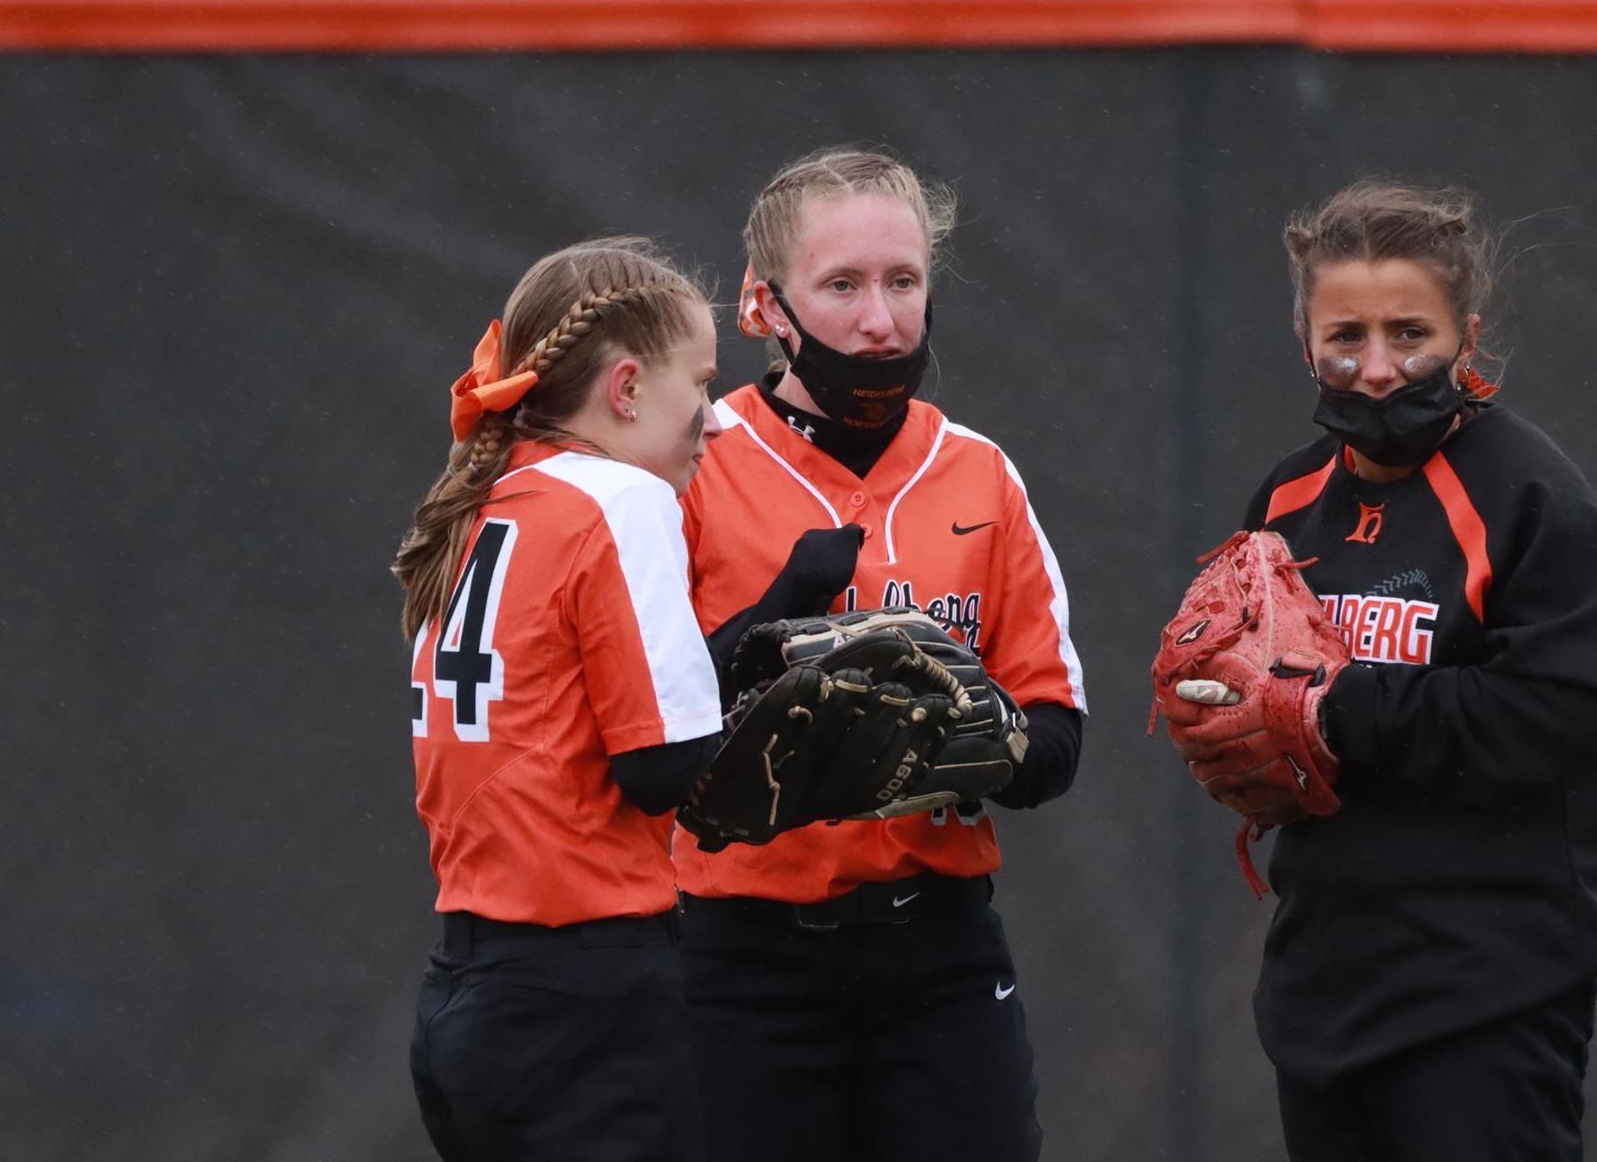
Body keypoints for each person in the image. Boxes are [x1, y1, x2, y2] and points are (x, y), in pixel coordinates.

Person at [1229, 181, 1597, 1160]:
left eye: (1409, 334)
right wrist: (1232, 716)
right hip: (1328, 975)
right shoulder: (1287, 499)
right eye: (1346, 335)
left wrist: (1341, 704)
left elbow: (1561, 713)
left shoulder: (1529, 494)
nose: (1378, 367)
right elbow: (1251, 689)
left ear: (1465, 337)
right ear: (1305, 340)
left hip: (1489, 984)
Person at [673, 147, 1086, 1162]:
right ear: (764, 304)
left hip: (936, 951)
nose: (880, 319)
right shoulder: (689, 466)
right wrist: (769, 636)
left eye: (903, 281)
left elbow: (1057, 731)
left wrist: (965, 743)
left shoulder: (979, 474)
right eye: (843, 285)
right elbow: (637, 730)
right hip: (739, 958)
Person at [392, 236, 725, 1162]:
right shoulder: (621, 499)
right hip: (589, 998)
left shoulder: (483, 504)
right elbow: (664, 766)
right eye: (699, 384)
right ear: (624, 390)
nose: (716, 416)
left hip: (468, 998)